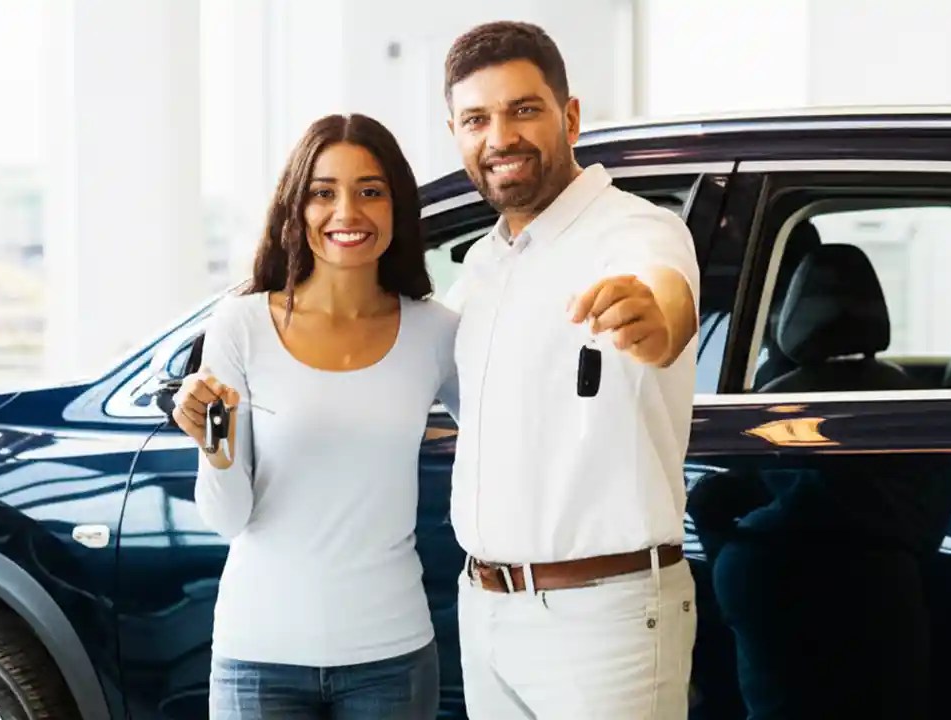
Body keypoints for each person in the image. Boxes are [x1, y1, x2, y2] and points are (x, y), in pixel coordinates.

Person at [440, 21, 701, 719]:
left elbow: (666, 300)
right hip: (485, 612)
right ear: (456, 133)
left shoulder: (636, 229)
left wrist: (652, 317)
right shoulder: (481, 268)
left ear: (571, 117)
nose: (500, 137)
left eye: (523, 110)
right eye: (477, 119)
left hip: (603, 622)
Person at [171, 113, 459, 720]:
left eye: (370, 191)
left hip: (391, 657)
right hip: (259, 657)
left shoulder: (436, 332)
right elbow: (227, 517)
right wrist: (213, 447)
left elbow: (503, 439)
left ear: (397, 206)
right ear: (296, 207)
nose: (347, 212)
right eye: (324, 192)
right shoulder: (242, 324)